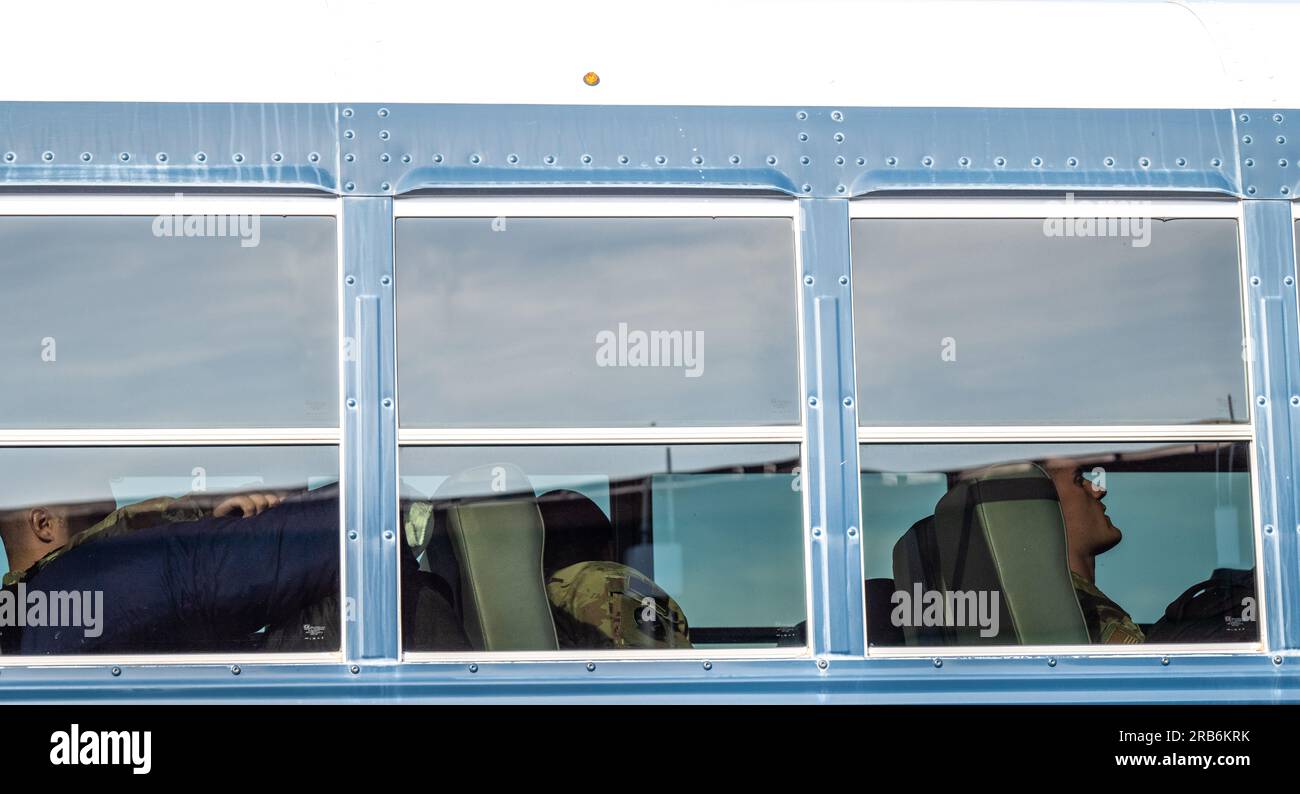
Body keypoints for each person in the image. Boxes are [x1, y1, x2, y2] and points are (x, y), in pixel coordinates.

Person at [1043, 460, 1145, 645]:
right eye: (1079, 480)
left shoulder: (1048, 597)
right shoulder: (1079, 610)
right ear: (1043, 506)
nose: (1099, 490)